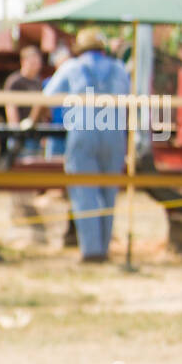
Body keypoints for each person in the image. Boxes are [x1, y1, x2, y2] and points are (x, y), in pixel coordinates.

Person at [42, 28, 131, 263]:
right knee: (109, 192)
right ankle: (104, 247)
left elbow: (48, 95)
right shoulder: (119, 68)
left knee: (84, 192)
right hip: (114, 133)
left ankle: (92, 252)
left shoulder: (72, 67)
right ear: (103, 48)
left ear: (80, 48)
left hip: (83, 131)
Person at [3, 45, 46, 158]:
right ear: (23, 61)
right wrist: (17, 131)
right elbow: (10, 107)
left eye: (38, 63)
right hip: (21, 134)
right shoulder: (15, 81)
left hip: (35, 134)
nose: (36, 66)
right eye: (33, 63)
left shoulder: (38, 81)